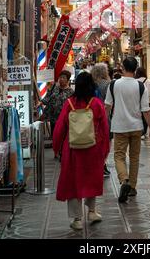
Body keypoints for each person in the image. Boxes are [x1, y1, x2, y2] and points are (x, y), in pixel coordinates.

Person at [53, 72, 110, 231]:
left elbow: (59, 128)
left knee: (73, 181)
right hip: (93, 148)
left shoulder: (69, 104)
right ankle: (92, 211)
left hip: (72, 149)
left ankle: (77, 219)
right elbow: (105, 129)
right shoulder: (97, 104)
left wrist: (57, 148)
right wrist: (105, 149)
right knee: (92, 178)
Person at [105, 57, 150, 203]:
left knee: (119, 156)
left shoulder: (114, 84)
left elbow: (107, 106)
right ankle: (132, 187)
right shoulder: (141, 87)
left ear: (122, 67)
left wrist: (102, 123)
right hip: (137, 127)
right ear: (135, 68)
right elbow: (146, 110)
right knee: (134, 158)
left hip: (119, 127)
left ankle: (124, 180)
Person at [91, 63, 111, 176]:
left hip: (91, 116)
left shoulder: (91, 84)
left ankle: (95, 163)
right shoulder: (108, 84)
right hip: (105, 115)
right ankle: (102, 163)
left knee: (94, 140)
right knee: (106, 140)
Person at [42, 70, 74, 138]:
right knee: (54, 134)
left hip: (64, 118)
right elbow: (47, 97)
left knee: (63, 135)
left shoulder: (71, 92)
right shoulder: (54, 88)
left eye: (64, 78)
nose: (61, 79)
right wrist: (41, 102)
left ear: (67, 80)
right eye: (60, 77)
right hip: (53, 116)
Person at [135, 67, 150, 139]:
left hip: (137, 102)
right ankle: (144, 132)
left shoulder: (134, 81)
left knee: (139, 116)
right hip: (147, 102)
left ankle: (140, 131)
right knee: (146, 116)